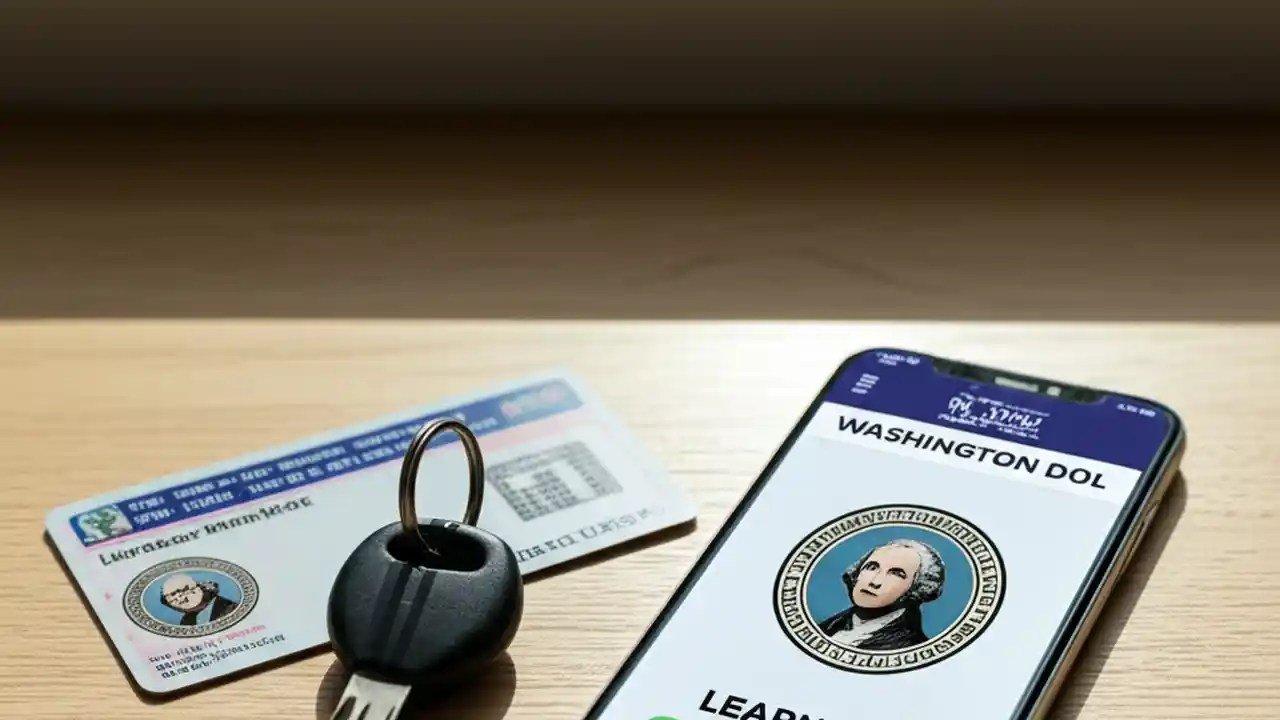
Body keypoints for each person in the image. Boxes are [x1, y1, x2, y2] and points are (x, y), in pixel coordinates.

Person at [818, 539, 945, 650]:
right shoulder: (828, 626)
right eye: (872, 567)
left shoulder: (911, 646)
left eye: (896, 574)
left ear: (918, 588)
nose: (874, 581)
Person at [159, 573, 238, 626]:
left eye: (184, 591)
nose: (181, 599)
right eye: (174, 601)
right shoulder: (186, 621)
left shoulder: (231, 608)